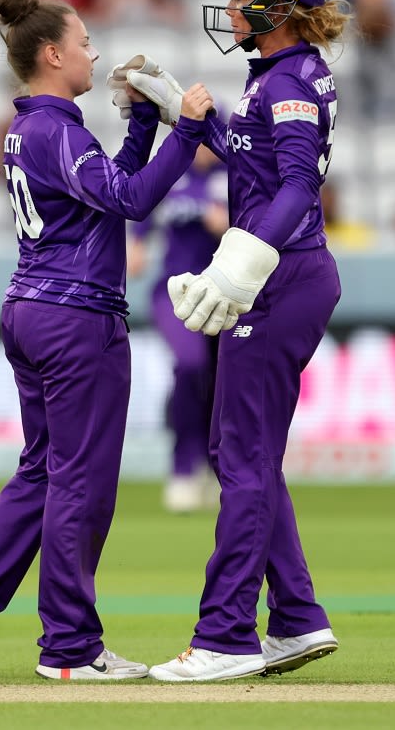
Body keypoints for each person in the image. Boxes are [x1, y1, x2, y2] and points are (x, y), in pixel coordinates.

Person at [0, 0, 213, 681]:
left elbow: (108, 195)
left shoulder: (31, 128)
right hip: (78, 317)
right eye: (83, 43)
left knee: (44, 471)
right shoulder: (58, 131)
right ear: (52, 54)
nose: (95, 53)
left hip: (32, 307)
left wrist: (141, 125)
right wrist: (188, 130)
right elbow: (133, 201)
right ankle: (71, 649)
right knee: (81, 482)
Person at [139, 0, 349, 682]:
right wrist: (179, 112)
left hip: (281, 279)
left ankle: (226, 635)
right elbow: (253, 158)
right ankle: (295, 618)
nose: (228, 9)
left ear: (273, 7)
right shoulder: (275, 78)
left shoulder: (290, 82)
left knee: (242, 455)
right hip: (285, 274)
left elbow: (295, 188)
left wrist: (239, 263)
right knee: (244, 453)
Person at [127, 145, 230, 513]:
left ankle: (218, 465)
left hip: (227, 296)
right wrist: (136, 245)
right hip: (175, 293)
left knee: (224, 383)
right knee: (190, 364)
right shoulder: (173, 174)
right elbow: (142, 212)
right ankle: (184, 467)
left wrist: (229, 228)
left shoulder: (233, 174)